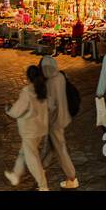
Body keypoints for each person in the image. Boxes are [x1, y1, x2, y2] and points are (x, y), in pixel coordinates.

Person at [3, 65, 51, 190]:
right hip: (40, 128)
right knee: (23, 153)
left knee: (32, 161)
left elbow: (17, 111)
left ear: (28, 77)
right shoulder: (42, 89)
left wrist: (8, 110)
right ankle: (16, 175)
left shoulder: (27, 91)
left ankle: (43, 186)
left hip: (30, 130)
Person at [37, 54, 79, 188]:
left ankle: (71, 177)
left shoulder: (50, 83)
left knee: (60, 149)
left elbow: (50, 106)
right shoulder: (61, 76)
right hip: (64, 117)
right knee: (53, 146)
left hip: (55, 122)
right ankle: (42, 168)